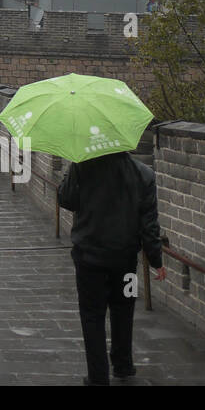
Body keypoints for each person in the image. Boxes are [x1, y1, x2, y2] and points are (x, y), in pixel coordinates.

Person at [58, 152, 167, 386]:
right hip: (127, 260)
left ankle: (98, 377)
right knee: (124, 309)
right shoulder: (143, 174)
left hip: (89, 259)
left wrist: (73, 167)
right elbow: (149, 224)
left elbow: (66, 200)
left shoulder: (83, 166)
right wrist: (156, 259)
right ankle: (123, 365)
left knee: (92, 316)